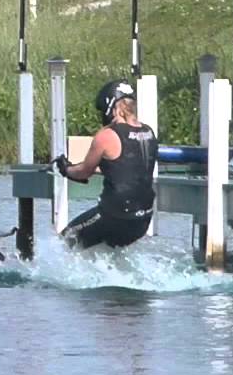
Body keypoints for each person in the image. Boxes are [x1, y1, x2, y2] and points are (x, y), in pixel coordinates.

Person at [52, 80, 159, 250]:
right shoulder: (148, 132)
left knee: (64, 242)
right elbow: (128, 169)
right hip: (142, 220)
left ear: (110, 106)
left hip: (114, 217)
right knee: (105, 251)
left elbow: (84, 172)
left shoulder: (107, 135)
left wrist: (65, 168)